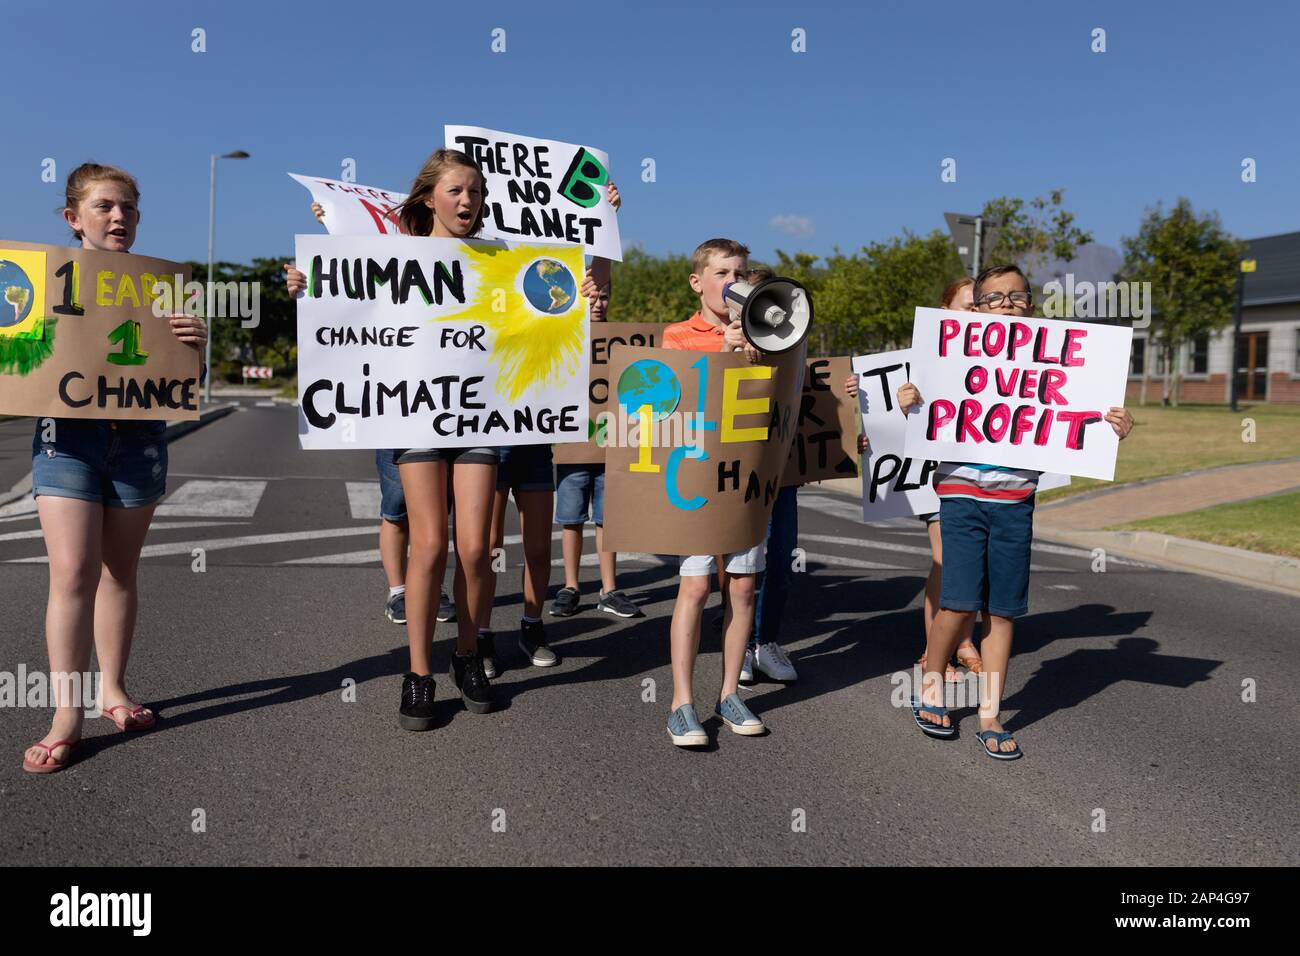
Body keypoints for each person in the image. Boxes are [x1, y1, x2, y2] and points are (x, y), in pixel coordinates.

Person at [288, 149, 498, 729]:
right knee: (429, 545)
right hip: (414, 417)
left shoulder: (498, 259)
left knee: (477, 549)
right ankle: (419, 673)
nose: (468, 201)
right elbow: (348, 313)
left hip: (481, 415)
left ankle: (467, 655)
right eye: (456, 190)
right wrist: (309, 286)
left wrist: (579, 292)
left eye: (476, 192)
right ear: (429, 198)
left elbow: (539, 316)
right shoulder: (390, 257)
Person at [899, 264, 1134, 759]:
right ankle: (931, 687)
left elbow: (1084, 415)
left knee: (1003, 611)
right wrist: (910, 401)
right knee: (959, 602)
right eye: (994, 299)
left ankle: (989, 713)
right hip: (961, 495)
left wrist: (1116, 423)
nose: (1006, 305)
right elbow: (923, 408)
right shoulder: (949, 352)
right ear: (977, 307)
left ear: (1032, 303)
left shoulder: (1056, 360)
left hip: (1015, 502)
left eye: (1017, 297)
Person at [23, 163, 209, 773]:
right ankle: (65, 716)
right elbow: (20, 366)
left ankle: (115, 692)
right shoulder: (43, 283)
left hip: (139, 443)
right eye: (104, 207)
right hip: (67, 440)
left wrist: (195, 347)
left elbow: (182, 385)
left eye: (128, 207)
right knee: (72, 571)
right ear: (74, 218)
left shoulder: (164, 287)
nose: (119, 217)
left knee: (118, 572)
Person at [300, 201, 455, 628]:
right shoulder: (387, 271)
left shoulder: (456, 266)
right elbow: (342, 288)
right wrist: (333, 224)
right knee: (397, 505)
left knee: (437, 512)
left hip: (448, 407)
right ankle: (399, 590)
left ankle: (430, 586)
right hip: (395, 406)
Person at [845, 275, 982, 681]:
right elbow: (890, 417)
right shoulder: (920, 359)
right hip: (936, 477)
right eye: (968, 305)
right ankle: (934, 650)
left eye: (980, 305)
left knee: (976, 564)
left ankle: (964, 641)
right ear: (945, 311)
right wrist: (867, 411)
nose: (975, 312)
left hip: (983, 477)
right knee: (946, 561)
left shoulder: (1005, 359)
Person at [661, 239, 768, 747]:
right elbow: (668, 408)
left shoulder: (766, 333)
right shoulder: (678, 336)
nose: (733, 280)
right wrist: (722, 356)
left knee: (743, 588)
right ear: (697, 281)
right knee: (697, 587)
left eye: (740, 272)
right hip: (696, 481)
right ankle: (682, 702)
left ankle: (729, 694)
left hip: (745, 482)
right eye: (722, 271)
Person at [550, 186, 643, 624]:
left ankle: (610, 587)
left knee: (609, 518)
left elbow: (602, 271)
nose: (599, 302)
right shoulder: (561, 339)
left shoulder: (619, 342)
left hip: (610, 443)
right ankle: (570, 585)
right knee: (570, 517)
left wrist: (607, 217)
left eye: (604, 297)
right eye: (592, 297)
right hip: (571, 442)